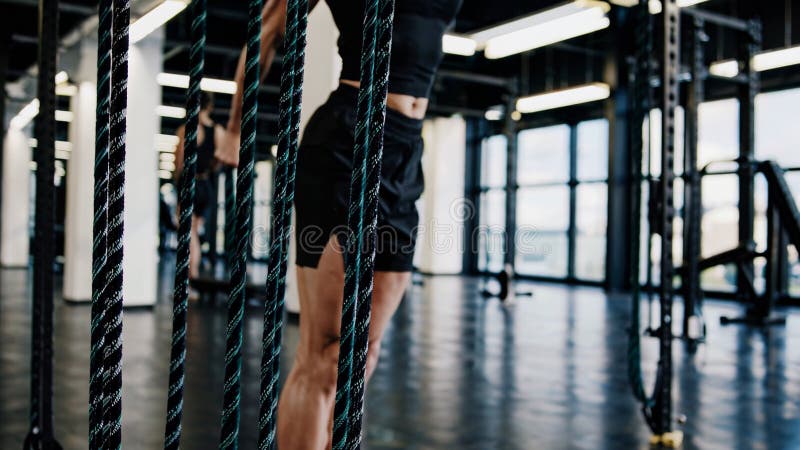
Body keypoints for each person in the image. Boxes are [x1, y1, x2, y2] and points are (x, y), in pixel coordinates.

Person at [217, 0, 463, 447]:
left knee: (362, 357)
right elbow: (269, 26)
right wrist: (235, 127)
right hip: (345, 139)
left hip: (405, 151)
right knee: (325, 356)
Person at [174, 91, 225, 283]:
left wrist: (178, 183)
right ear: (210, 106)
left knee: (189, 234)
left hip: (190, 183)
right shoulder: (218, 130)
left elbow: (179, 163)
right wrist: (209, 169)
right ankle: (193, 276)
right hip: (206, 184)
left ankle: (191, 277)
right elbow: (219, 160)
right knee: (194, 231)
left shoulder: (187, 129)